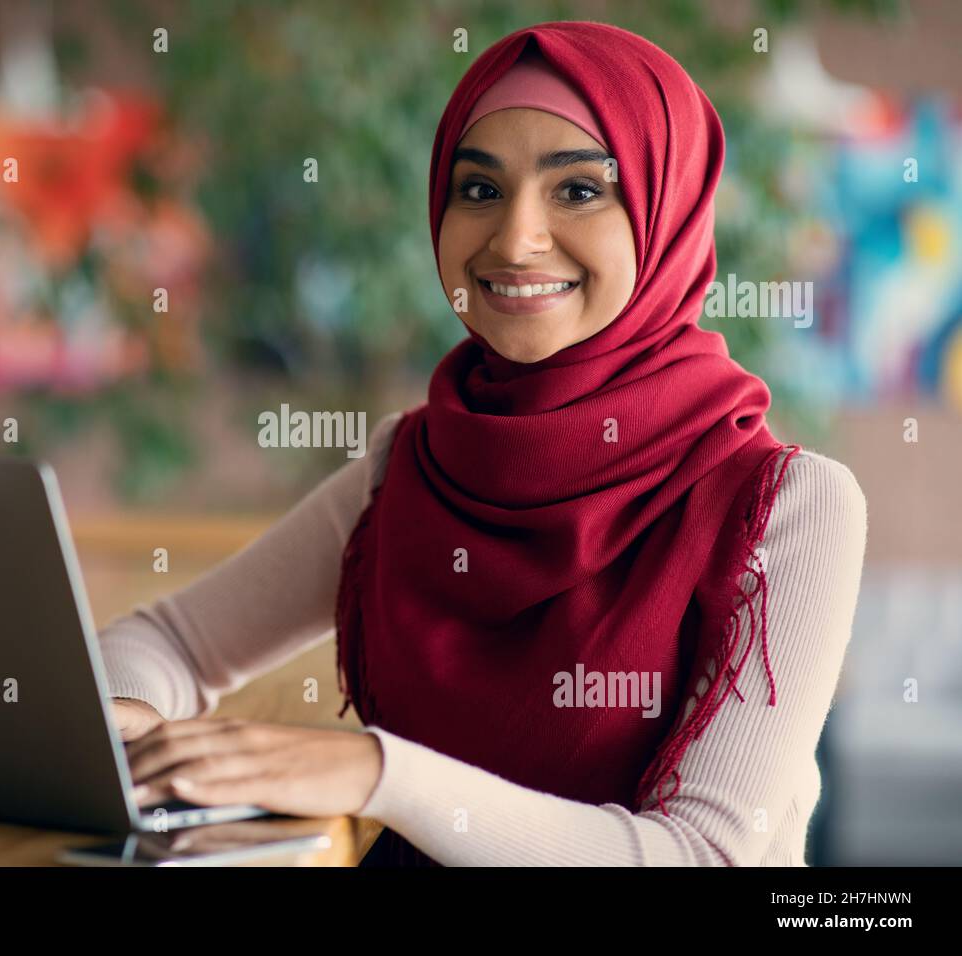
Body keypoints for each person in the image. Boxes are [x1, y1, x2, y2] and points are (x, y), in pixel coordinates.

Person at [105, 21, 868, 866]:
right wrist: (132, 722)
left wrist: (378, 774)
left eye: (578, 191)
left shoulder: (785, 503)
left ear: (668, 211)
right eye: (478, 190)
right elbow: (167, 641)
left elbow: (704, 853)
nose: (513, 240)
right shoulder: (411, 464)